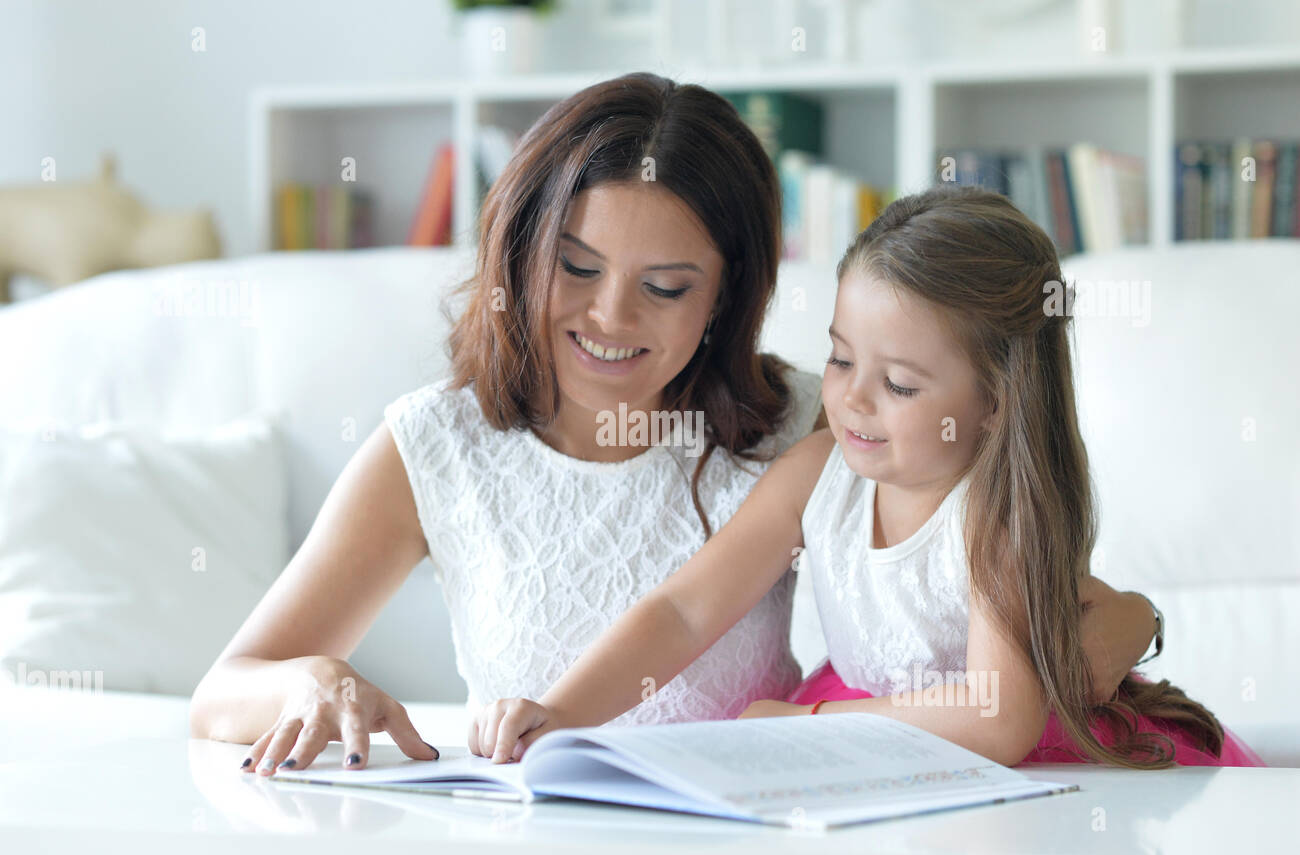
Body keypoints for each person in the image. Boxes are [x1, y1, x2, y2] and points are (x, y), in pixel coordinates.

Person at [189, 74, 1158, 776]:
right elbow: (223, 688)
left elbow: (1043, 580)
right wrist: (311, 681)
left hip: (776, 811)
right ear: (519, 252)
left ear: (725, 297)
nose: (609, 318)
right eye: (574, 267)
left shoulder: (821, 421)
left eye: (663, 287)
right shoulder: (436, 445)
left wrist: (1125, 630)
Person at [471, 186, 1267, 770]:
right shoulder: (819, 471)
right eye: (842, 356)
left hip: (1020, 755)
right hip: (864, 726)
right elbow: (683, 610)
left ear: (994, 403)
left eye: (901, 384)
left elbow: (998, 718)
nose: (849, 396)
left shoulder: (988, 508)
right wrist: (561, 712)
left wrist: (807, 724)